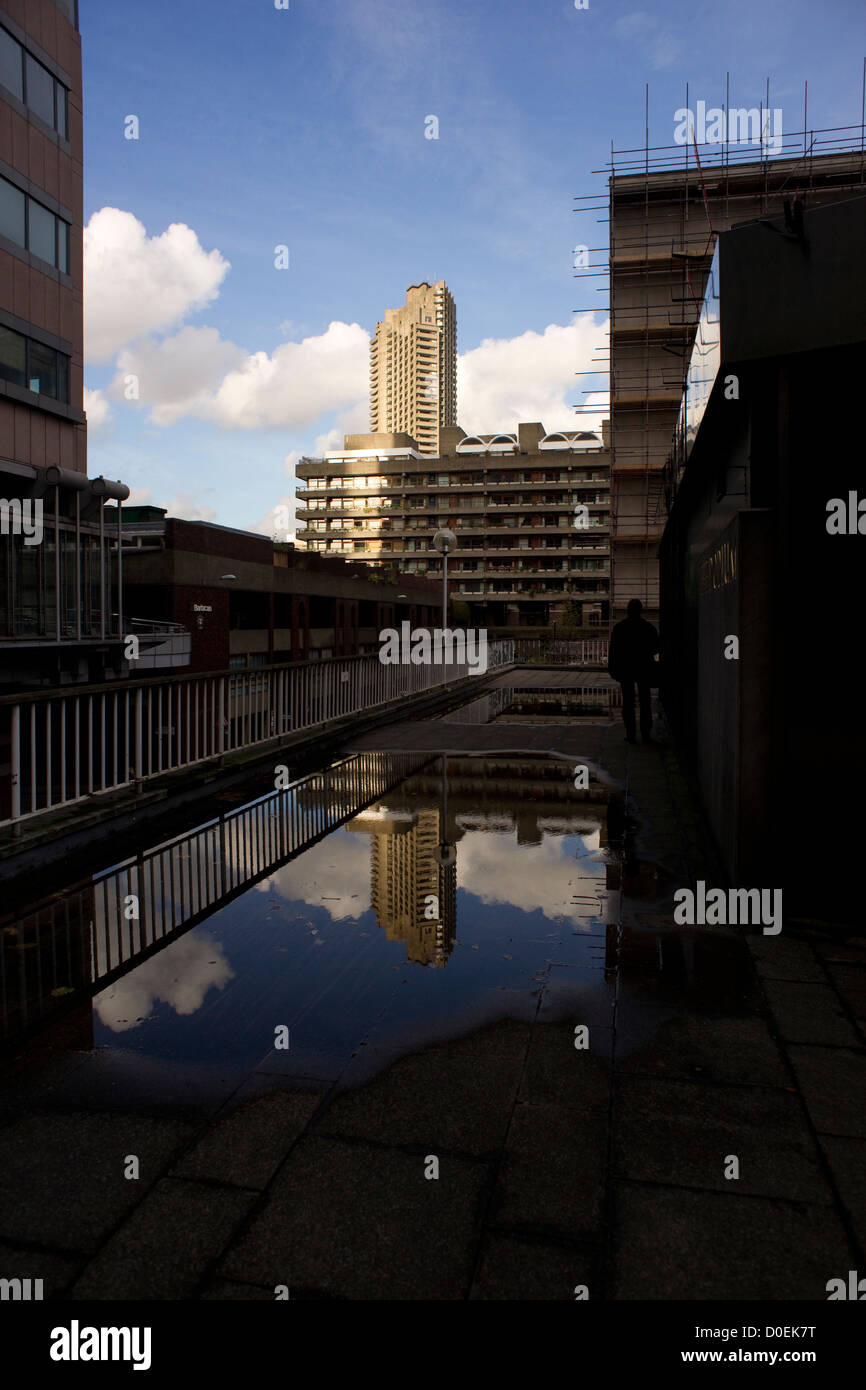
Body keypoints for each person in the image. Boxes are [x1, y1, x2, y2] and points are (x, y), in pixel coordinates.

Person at [607, 599, 659, 744]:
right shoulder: (648, 628)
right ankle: (646, 735)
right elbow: (656, 647)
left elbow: (614, 651)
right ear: (640, 610)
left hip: (626, 669)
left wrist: (613, 668)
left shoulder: (620, 628)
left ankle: (631, 735)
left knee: (628, 703)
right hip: (644, 668)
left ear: (628, 610)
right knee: (645, 702)